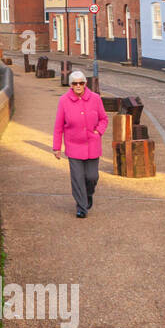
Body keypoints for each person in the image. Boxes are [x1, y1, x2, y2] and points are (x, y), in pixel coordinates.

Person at [52, 69, 107, 218]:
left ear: (85, 84)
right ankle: (81, 207)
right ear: (70, 85)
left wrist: (98, 132)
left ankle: (87, 196)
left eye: (81, 83)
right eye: (75, 83)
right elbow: (58, 126)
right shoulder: (64, 101)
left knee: (91, 177)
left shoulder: (95, 98)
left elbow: (104, 119)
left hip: (92, 145)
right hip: (73, 146)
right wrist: (57, 147)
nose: (78, 86)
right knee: (77, 179)